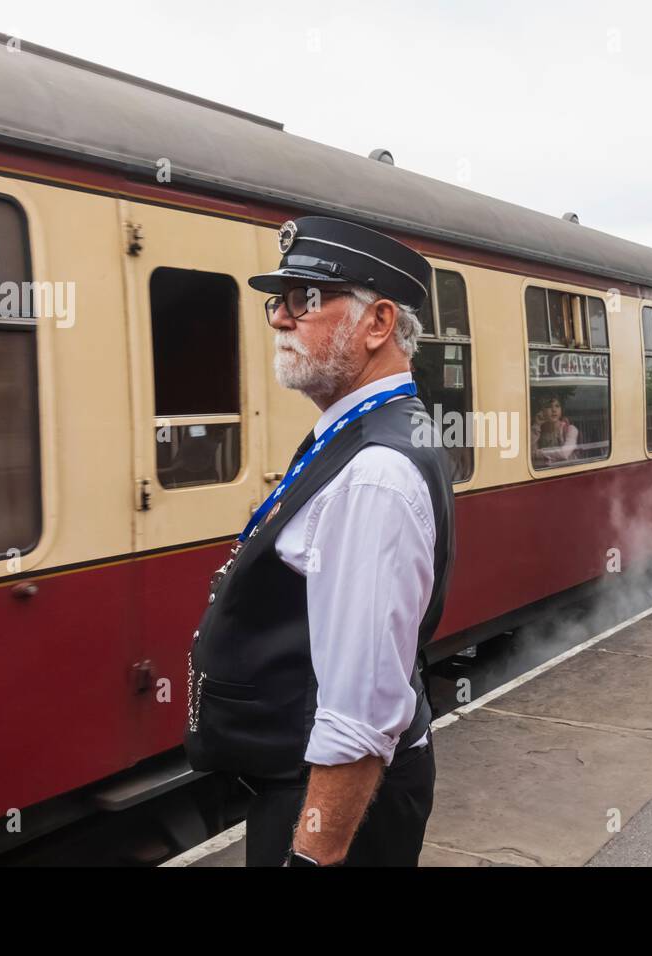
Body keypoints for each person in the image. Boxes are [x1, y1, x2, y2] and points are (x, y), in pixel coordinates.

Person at [184, 216, 456, 867]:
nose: (279, 317)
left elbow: (362, 712)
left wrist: (310, 855)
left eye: (305, 300)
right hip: (306, 784)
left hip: (327, 805)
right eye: (277, 301)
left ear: (378, 324)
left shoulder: (375, 472)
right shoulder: (363, 433)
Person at [530, 394, 579, 466]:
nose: (554, 410)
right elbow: (530, 454)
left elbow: (564, 454)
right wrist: (537, 425)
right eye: (549, 407)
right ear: (541, 411)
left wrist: (538, 454)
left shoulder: (570, 429)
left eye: (557, 406)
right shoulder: (538, 430)